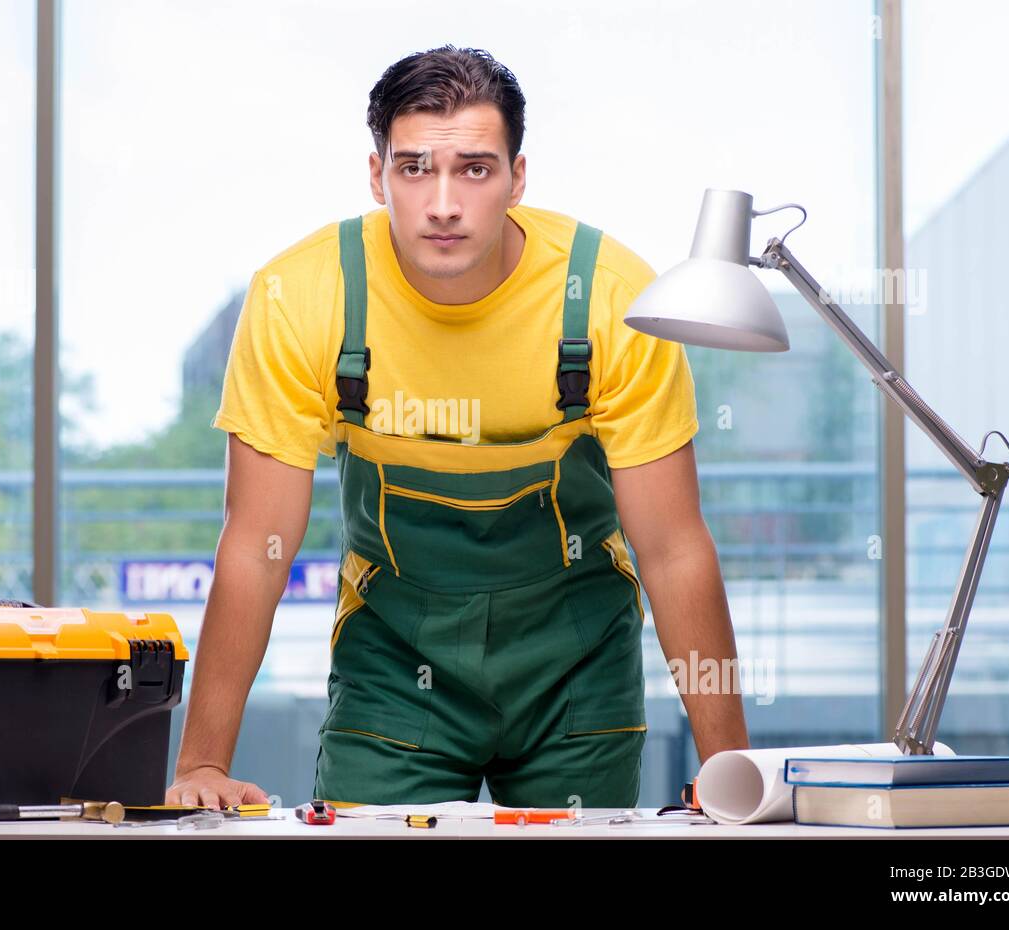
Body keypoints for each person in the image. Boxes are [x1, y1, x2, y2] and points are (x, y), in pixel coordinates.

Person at [167, 44, 748, 809]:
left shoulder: (609, 297)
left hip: (575, 666)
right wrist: (202, 765)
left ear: (518, 177)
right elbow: (254, 548)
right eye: (414, 168)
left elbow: (673, 550)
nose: (444, 203)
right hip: (395, 667)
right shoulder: (301, 298)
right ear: (377, 176)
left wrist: (737, 774)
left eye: (475, 168)